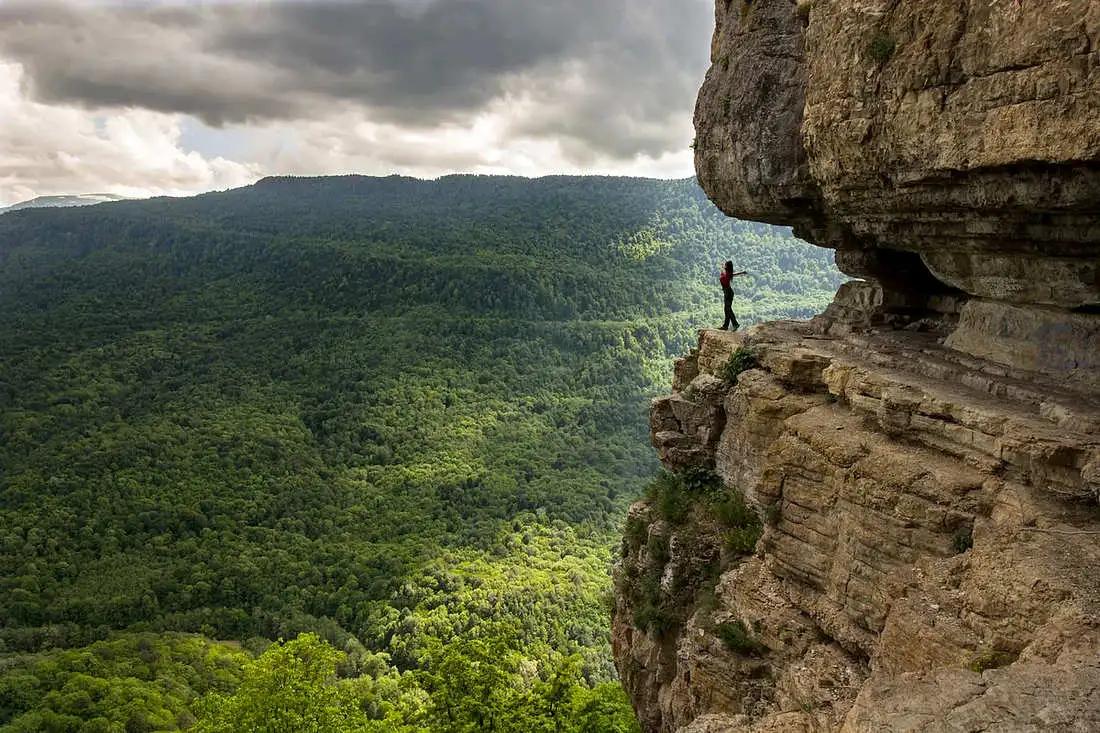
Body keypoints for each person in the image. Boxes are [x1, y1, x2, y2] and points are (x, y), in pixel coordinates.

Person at [719, 260, 748, 330]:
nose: (724, 265)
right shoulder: (726, 272)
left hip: (728, 293)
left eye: (726, 265)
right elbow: (735, 274)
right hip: (727, 292)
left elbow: (734, 274)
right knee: (727, 309)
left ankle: (735, 324)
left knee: (728, 309)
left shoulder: (728, 273)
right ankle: (726, 326)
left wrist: (742, 272)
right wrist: (742, 272)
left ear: (727, 266)